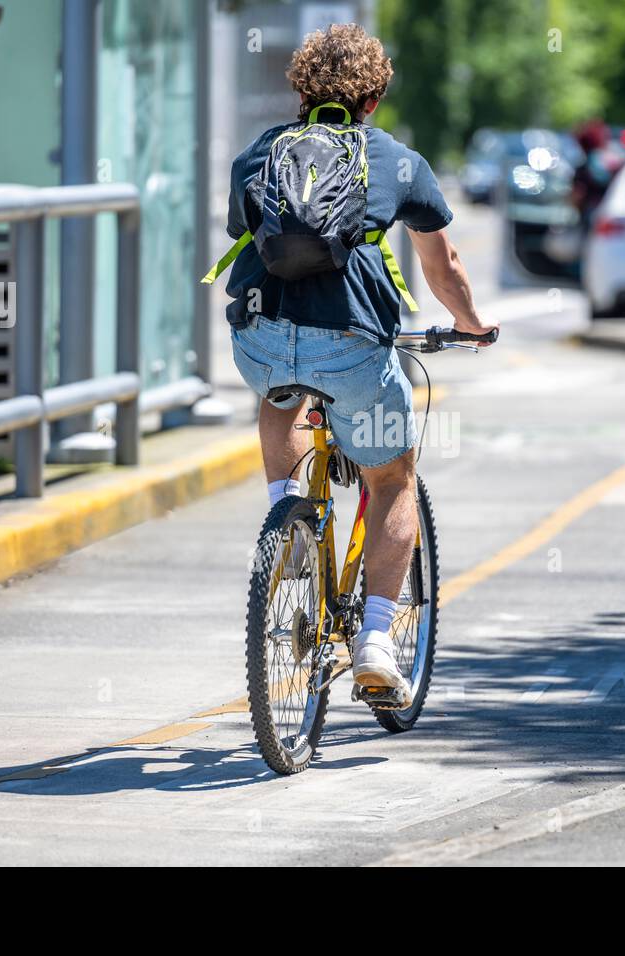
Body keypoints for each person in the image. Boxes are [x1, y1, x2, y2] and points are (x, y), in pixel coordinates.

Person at [220, 24, 497, 704]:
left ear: (301, 89)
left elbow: (245, 233)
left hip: (257, 339)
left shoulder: (261, 152)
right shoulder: (399, 162)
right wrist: (469, 324)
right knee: (393, 478)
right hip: (349, 345)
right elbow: (443, 264)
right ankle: (376, 640)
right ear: (375, 96)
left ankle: (284, 524)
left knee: (279, 392)